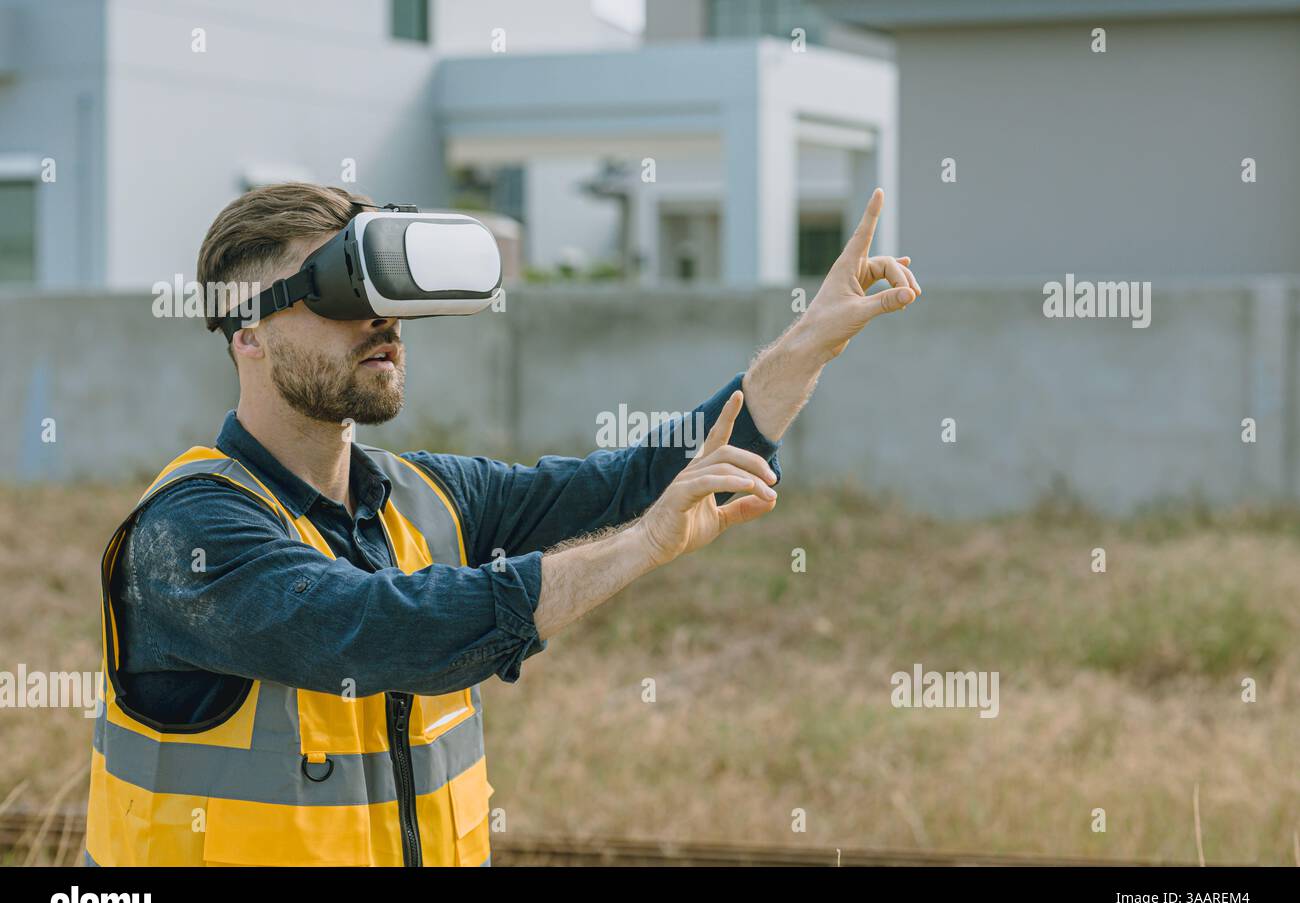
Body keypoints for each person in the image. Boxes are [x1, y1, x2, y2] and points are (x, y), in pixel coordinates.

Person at [85, 182, 919, 866]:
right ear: (248, 333)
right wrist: (641, 547)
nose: (383, 321)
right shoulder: (187, 536)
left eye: (386, 292)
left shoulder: (426, 498)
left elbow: (634, 483)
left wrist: (808, 344)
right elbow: (383, 633)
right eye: (343, 290)